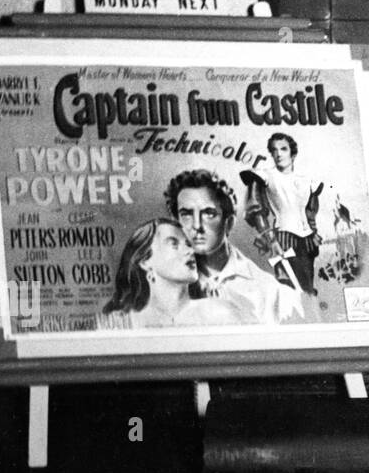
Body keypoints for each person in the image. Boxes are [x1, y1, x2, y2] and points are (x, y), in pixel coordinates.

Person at [165, 168, 304, 324]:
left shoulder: (270, 290)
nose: (197, 225)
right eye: (186, 214)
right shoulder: (162, 285)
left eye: (209, 213)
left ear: (229, 223)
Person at [99, 218, 248, 328]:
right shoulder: (120, 323)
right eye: (174, 244)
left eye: (189, 244)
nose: (190, 251)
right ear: (145, 261)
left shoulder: (223, 313)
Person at [241, 133, 326, 296]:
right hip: (284, 239)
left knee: (308, 286)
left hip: (308, 240)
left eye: (283, 149)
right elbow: (255, 209)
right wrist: (270, 240)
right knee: (292, 287)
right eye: (274, 150)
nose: (278, 154)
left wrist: (313, 231)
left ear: (292, 153)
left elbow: (311, 210)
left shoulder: (307, 179)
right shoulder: (265, 176)